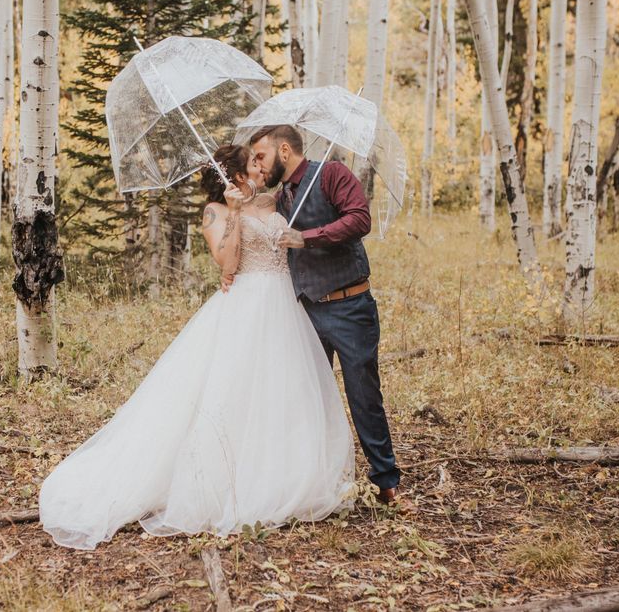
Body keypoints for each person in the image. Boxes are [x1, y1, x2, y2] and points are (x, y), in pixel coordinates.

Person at [38, 144, 355, 550]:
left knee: (281, 391)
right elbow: (227, 265)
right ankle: (224, 479)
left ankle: (285, 471)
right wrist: (236, 213)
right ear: (236, 176)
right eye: (253, 163)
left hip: (284, 305)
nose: (261, 166)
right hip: (246, 304)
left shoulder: (272, 199)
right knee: (231, 392)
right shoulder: (215, 211)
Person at [244, 125, 403, 505]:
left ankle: (387, 483)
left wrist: (307, 237)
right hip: (305, 313)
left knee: (363, 396)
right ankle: (314, 484)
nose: (259, 166)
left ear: (285, 150)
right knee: (307, 397)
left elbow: (358, 219)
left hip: (349, 307)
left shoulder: (331, 174)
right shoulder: (282, 197)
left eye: (261, 157)